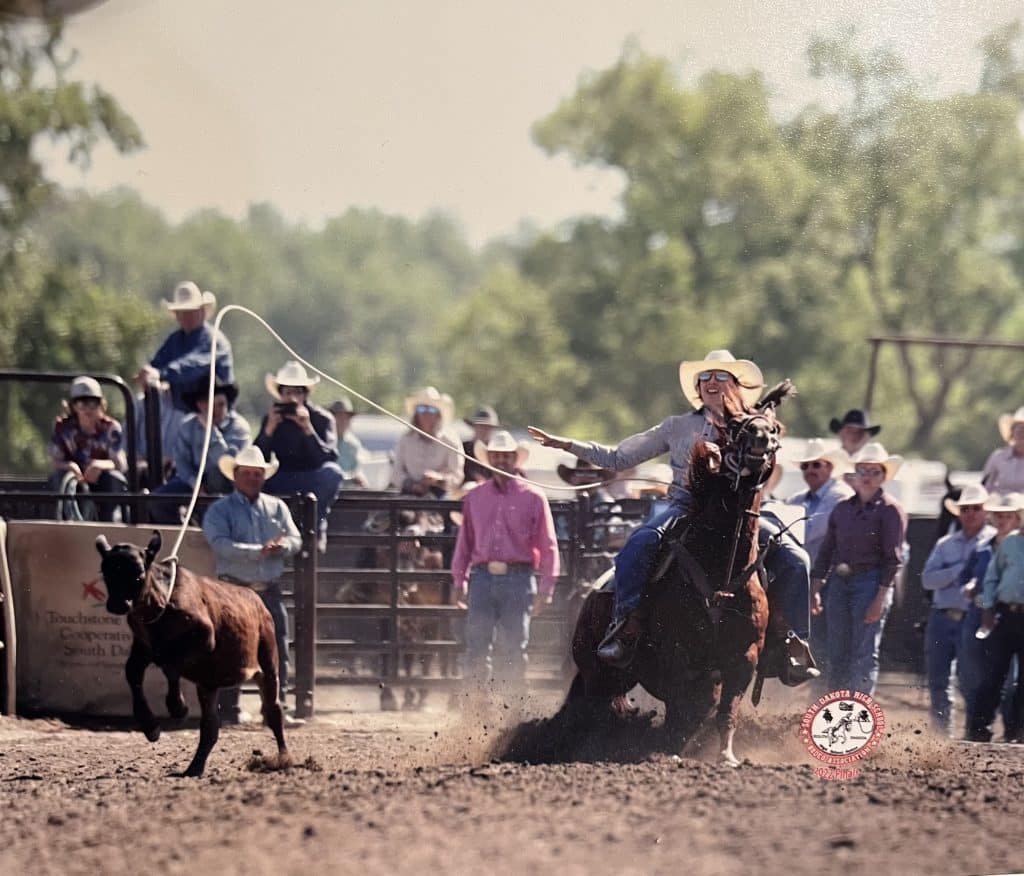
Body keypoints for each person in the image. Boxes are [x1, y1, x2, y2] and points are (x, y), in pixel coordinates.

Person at [529, 349, 816, 676]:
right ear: (697, 388)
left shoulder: (755, 426)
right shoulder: (677, 426)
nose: (712, 382)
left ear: (736, 385)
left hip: (741, 515)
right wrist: (566, 445)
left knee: (797, 560)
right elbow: (618, 458)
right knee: (639, 545)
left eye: (721, 376)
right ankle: (627, 625)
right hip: (685, 509)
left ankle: (793, 640)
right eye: (705, 377)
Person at [202, 446, 303, 725]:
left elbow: (296, 539)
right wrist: (258, 550)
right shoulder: (220, 510)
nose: (252, 478)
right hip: (234, 589)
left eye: (257, 473)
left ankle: (275, 708)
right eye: (247, 473)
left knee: (277, 649)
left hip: (267, 587)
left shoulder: (276, 507)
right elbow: (219, 544)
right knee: (231, 649)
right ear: (235, 476)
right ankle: (228, 709)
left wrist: (280, 547)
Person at [450, 430, 559, 688]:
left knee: (513, 648)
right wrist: (459, 579)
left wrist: (546, 587)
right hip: (483, 577)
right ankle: (477, 706)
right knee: (477, 646)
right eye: (496, 455)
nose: (501, 460)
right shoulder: (475, 497)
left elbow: (548, 545)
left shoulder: (533, 497)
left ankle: (512, 706)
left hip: (518, 578)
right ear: (489, 459)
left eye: (506, 456)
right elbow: (464, 542)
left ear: (515, 460)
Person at [810, 442, 907, 696]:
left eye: (874, 471)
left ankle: (858, 714)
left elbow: (892, 560)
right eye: (863, 470)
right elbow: (826, 552)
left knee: (863, 653)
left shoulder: (890, 511)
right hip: (841, 584)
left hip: (871, 581)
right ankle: (833, 709)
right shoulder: (841, 509)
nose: (867, 476)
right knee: (838, 652)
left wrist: (880, 598)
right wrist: (816, 588)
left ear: (883, 476)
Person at [919, 484, 994, 736]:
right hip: (942, 615)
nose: (970, 513)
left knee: (971, 680)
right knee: (938, 680)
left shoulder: (994, 543)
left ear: (985, 512)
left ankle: (974, 730)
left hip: (974, 616)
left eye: (975, 508)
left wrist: (952, 575)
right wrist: (961, 570)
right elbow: (927, 580)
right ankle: (942, 734)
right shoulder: (945, 543)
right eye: (965, 509)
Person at [785, 439, 854, 680]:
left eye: (816, 465)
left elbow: (808, 531)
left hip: (830, 578)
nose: (810, 470)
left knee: (828, 641)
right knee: (813, 639)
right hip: (808, 579)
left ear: (830, 467)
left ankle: (825, 692)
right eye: (805, 466)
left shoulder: (841, 496)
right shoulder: (797, 499)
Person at [254, 361, 344, 541]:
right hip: (282, 475)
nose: (293, 398)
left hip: (311, 477)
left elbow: (328, 457)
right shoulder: (273, 418)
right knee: (251, 476)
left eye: (298, 392)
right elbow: (257, 458)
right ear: (280, 394)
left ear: (306, 394)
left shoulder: (322, 419)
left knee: (332, 473)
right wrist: (269, 430)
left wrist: (307, 429)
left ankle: (314, 526)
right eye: (288, 392)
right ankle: (262, 528)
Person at [961, 492, 1023, 741]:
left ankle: (1016, 731)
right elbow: (991, 578)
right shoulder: (1010, 543)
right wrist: (987, 608)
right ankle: (979, 728)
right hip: (1006, 613)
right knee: (993, 673)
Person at [149, 378, 251, 524]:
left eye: (221, 404)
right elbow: (182, 463)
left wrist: (211, 432)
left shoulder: (239, 428)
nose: (216, 409)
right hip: (194, 483)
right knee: (158, 500)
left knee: (215, 481)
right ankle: (180, 536)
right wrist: (195, 484)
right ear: (199, 405)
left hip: (228, 486)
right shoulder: (187, 426)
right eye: (209, 403)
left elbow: (226, 465)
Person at [135, 281, 234, 413]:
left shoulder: (214, 339)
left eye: (192, 311)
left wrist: (160, 374)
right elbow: (158, 364)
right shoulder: (175, 340)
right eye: (182, 312)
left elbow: (193, 364)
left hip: (216, 418)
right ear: (176, 315)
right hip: (183, 419)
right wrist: (147, 373)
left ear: (202, 312)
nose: (187, 316)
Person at [48, 376, 128, 522]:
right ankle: (62, 523)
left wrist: (100, 466)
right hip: (74, 482)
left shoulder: (111, 428)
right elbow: (55, 461)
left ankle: (107, 524)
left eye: (93, 403)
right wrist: (69, 466)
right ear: (73, 406)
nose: (87, 409)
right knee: (59, 478)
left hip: (101, 484)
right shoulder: (63, 427)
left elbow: (120, 464)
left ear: (101, 405)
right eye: (81, 403)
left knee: (113, 479)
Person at [390, 386, 464, 496]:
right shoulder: (406, 439)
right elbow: (396, 473)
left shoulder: (450, 441)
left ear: (438, 414)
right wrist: (412, 485)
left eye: (431, 409)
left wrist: (439, 479)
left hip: (439, 496)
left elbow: (457, 475)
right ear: (416, 414)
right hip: (409, 494)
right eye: (421, 409)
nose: (426, 414)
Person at [981, 407, 1024, 494]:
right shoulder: (998, 457)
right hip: (999, 505)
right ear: (1012, 433)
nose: (1022, 434)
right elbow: (985, 486)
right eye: (1020, 429)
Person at [329, 397, 368, 489]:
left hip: (348, 488)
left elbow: (356, 469)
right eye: (339, 417)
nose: (343, 421)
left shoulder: (353, 444)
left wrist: (359, 478)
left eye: (346, 417)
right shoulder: (324, 441)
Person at [462, 406, 501, 484]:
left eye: (488, 427)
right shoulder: (462, 449)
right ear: (474, 427)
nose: (484, 430)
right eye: (480, 426)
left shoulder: (500, 452)